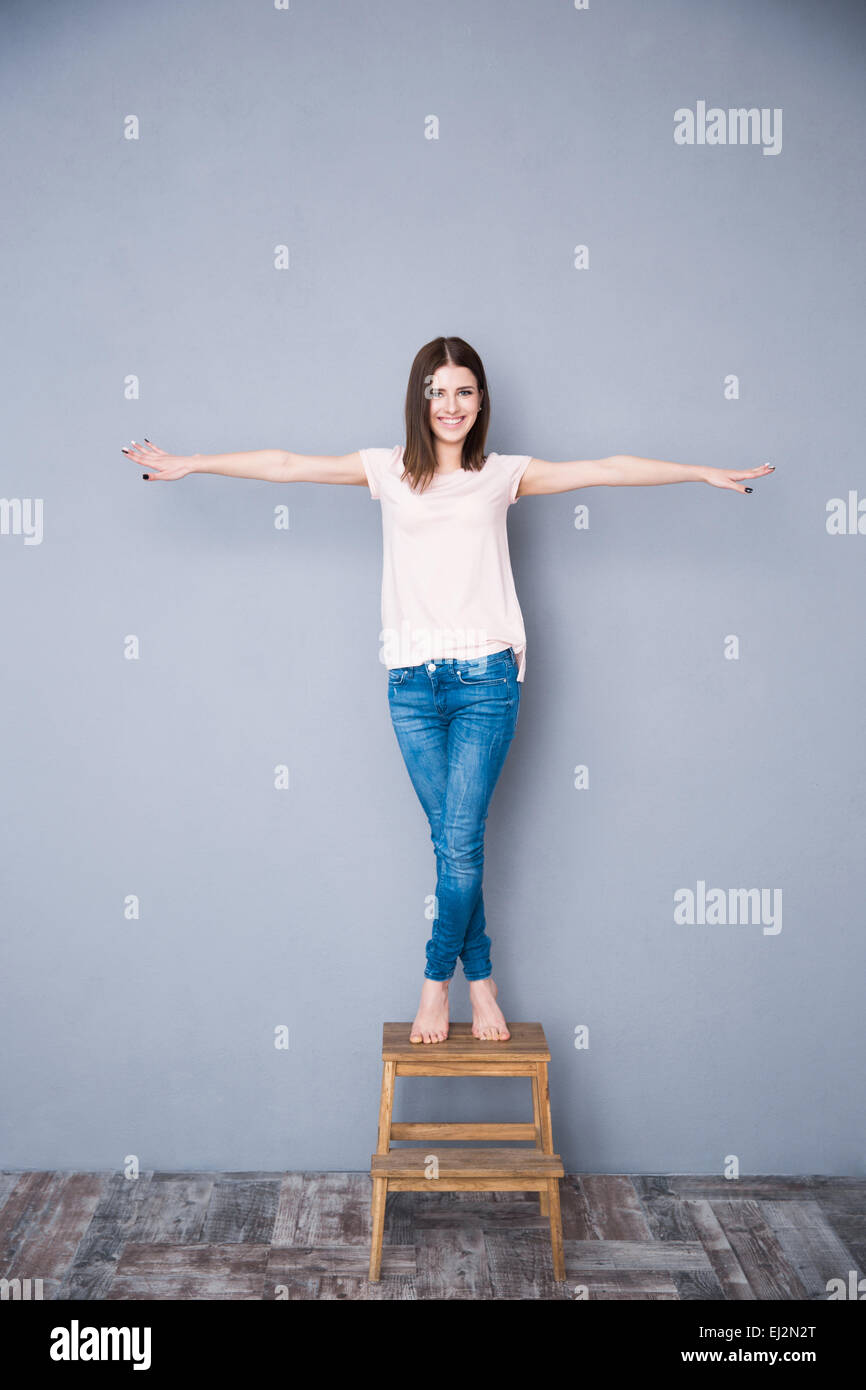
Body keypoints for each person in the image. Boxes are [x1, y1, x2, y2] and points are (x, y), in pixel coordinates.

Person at [121, 335, 774, 1046]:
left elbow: (607, 468)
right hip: (409, 686)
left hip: (486, 681)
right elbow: (284, 463)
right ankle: (485, 982)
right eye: (438, 391)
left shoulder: (502, 475)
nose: (451, 404)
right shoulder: (387, 471)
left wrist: (701, 472)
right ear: (420, 399)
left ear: (480, 400)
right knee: (452, 847)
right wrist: (192, 462)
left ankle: (436, 986)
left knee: (459, 847)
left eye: (464, 391)